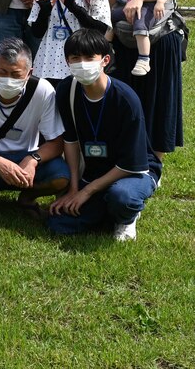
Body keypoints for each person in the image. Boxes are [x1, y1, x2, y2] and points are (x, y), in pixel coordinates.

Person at [47, 29, 161, 241]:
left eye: (90, 58)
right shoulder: (66, 90)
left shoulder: (126, 99)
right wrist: (73, 189)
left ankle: (127, 215)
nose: (82, 64)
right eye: (75, 58)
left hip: (131, 171)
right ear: (67, 62)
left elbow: (130, 163)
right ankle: (105, 208)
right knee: (58, 222)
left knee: (122, 198)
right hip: (92, 171)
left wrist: (86, 192)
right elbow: (70, 141)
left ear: (105, 60)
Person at [94, 0, 185, 159]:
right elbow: (106, 3)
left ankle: (156, 160)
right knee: (124, 95)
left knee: (159, 97)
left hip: (160, 33)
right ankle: (127, 154)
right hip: (124, 36)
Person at [0, 38, 70, 219]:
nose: (8, 80)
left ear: (29, 72)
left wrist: (33, 159)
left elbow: (56, 142)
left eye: (15, 74)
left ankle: (27, 199)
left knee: (62, 177)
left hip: (26, 158)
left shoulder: (43, 91)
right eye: (2, 72)